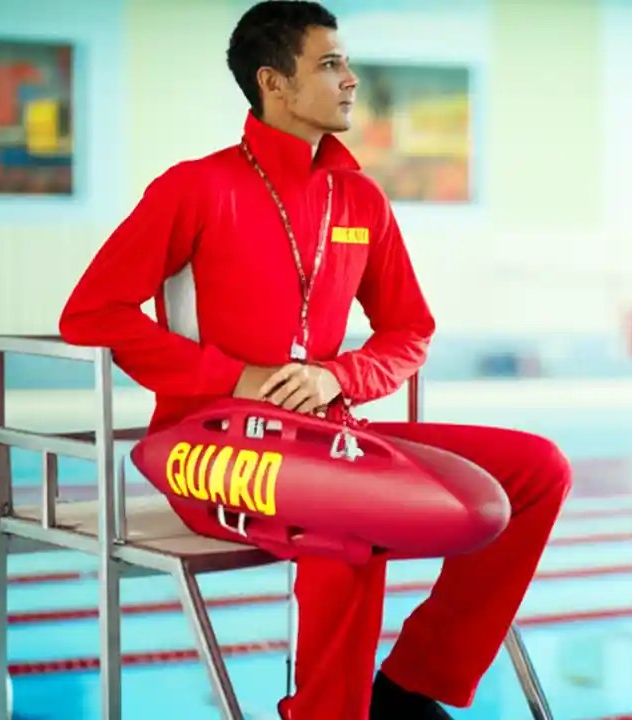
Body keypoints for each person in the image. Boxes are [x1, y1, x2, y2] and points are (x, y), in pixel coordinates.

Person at [57, 2, 572, 718]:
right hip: (205, 444)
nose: (351, 80)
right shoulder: (196, 187)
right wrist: (234, 377)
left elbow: (409, 329)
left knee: (538, 469)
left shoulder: (359, 198)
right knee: (346, 517)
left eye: (346, 64)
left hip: (331, 436)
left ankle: (411, 686)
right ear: (275, 83)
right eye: (330, 65)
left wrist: (339, 375)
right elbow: (91, 314)